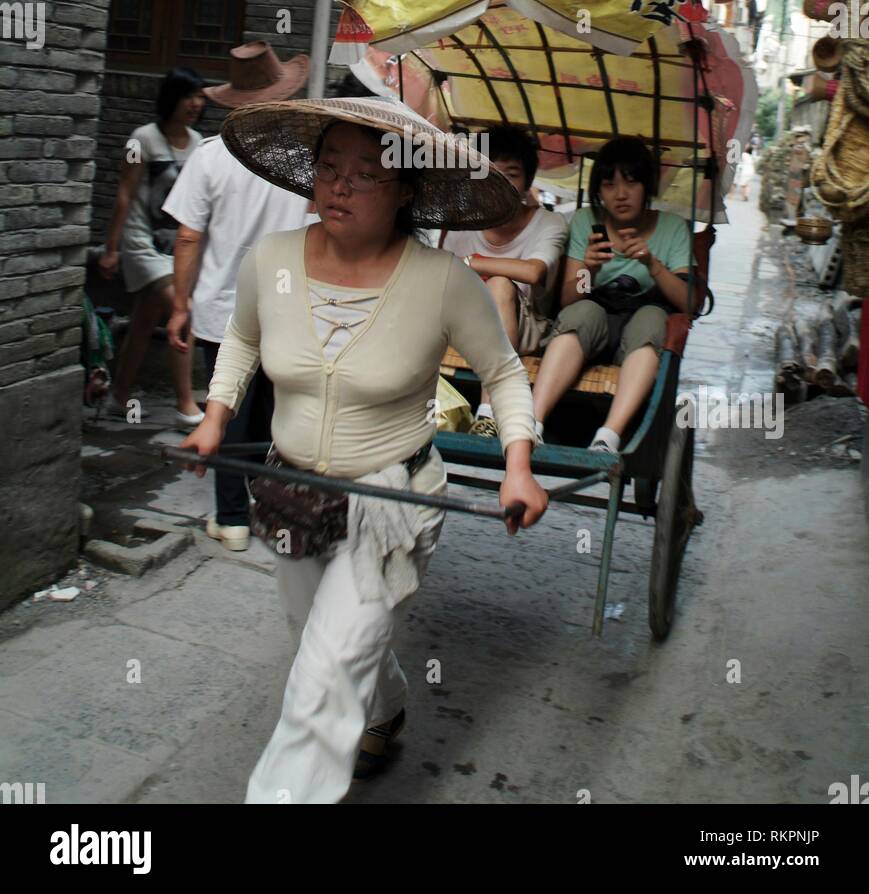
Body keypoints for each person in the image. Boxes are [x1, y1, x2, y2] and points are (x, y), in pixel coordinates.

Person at [182, 97, 548, 803]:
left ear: (406, 191)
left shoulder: (441, 280)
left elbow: (503, 374)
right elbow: (244, 339)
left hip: (390, 502)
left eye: (364, 173)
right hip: (291, 491)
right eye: (328, 168)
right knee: (314, 638)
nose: (338, 186)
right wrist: (214, 417)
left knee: (319, 680)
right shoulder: (275, 261)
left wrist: (518, 467)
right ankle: (383, 711)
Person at [162, 43, 312, 551]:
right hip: (289, 309)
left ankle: (232, 520)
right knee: (275, 413)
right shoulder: (304, 157)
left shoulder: (210, 156)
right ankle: (271, 506)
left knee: (225, 413)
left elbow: (188, 236)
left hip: (222, 308)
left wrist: (180, 306)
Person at [532, 137, 694, 454]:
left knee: (652, 319)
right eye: (609, 185)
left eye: (631, 183)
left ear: (646, 186)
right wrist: (588, 270)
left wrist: (652, 264)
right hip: (594, 322)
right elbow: (567, 301)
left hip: (640, 329)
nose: (620, 194)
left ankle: (609, 434)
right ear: (599, 191)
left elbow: (689, 303)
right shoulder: (585, 221)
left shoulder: (673, 228)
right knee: (580, 314)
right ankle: (532, 423)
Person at [441, 125, 568, 434]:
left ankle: (489, 410)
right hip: (462, 322)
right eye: (489, 173)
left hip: (524, 326)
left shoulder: (550, 223)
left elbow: (534, 272)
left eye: (511, 175)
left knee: (498, 284)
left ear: (527, 184)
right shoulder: (460, 220)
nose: (499, 185)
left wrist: (475, 262)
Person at [99, 68, 205, 426]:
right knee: (183, 312)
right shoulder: (139, 139)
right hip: (141, 241)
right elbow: (125, 193)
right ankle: (185, 405)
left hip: (174, 248)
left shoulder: (198, 142)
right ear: (171, 98)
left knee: (144, 321)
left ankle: (118, 396)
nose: (196, 103)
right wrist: (112, 248)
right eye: (189, 95)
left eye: (200, 96)